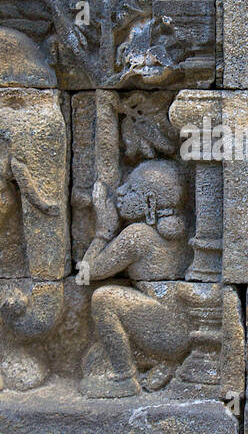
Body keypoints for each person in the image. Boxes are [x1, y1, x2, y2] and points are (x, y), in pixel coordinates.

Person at [77, 160, 193, 397]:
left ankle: (124, 378)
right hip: (184, 331)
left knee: (104, 298)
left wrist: (104, 229)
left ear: (149, 202)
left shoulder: (138, 236)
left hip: (167, 331)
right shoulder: (182, 233)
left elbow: (86, 273)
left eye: (130, 190)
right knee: (96, 357)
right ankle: (162, 362)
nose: (120, 192)